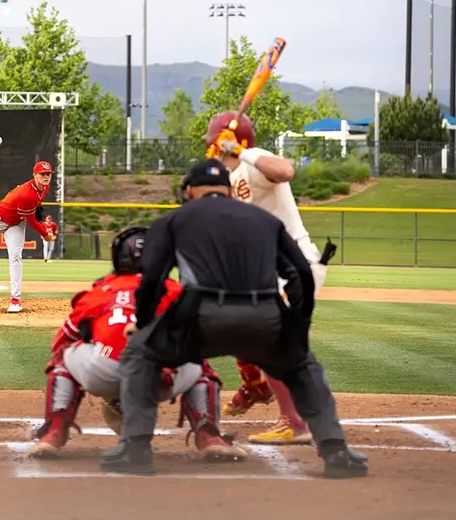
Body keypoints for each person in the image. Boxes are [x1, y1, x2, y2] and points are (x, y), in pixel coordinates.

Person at [100, 158, 367, 479]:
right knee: (302, 366)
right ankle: (335, 451)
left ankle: (136, 449)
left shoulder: (176, 219)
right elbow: (300, 275)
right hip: (265, 315)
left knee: (140, 354)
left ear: (191, 191)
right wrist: (296, 327)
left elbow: (152, 279)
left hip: (201, 317)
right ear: (227, 190)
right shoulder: (263, 219)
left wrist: (144, 325)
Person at [28, 226, 247, 462]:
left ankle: (53, 432)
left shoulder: (102, 290)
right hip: (162, 378)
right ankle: (209, 437)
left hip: (104, 373)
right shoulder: (174, 290)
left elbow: (64, 337)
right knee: (197, 360)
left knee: (63, 356)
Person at [205, 111, 337, 446]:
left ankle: (293, 421)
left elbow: (286, 170)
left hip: (293, 264)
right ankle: (256, 386)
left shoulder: (254, 161)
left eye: (214, 140)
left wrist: (242, 150)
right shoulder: (223, 176)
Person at [0, 161, 56, 312]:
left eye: (48, 174)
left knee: (15, 257)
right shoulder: (26, 193)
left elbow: (30, 212)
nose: (46, 177)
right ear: (34, 175)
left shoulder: (45, 188)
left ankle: (15, 300)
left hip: (16, 223)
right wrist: (45, 235)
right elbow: (33, 221)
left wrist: (33, 207)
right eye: (42, 174)